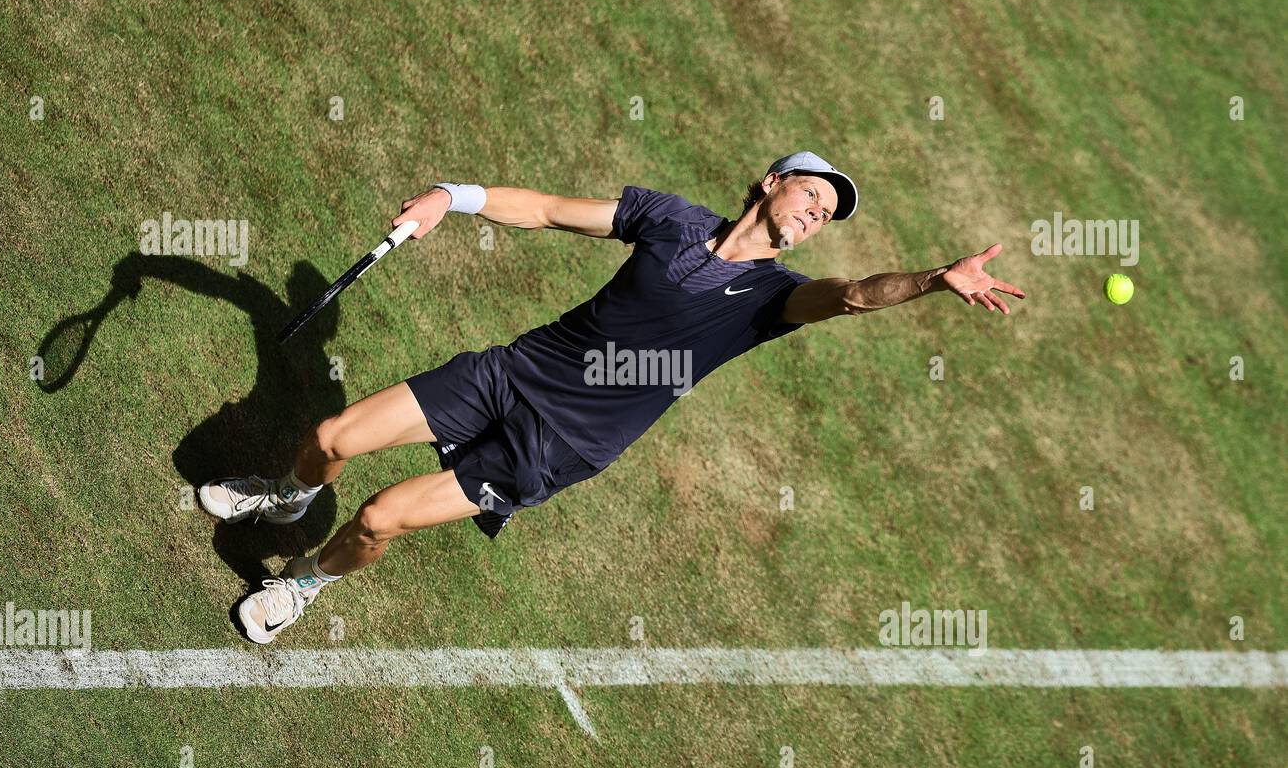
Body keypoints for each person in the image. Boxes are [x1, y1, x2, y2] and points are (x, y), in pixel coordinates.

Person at [199, 151, 1026, 643]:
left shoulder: (776, 300)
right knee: (332, 435)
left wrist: (929, 282)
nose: (817, 215)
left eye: (828, 215)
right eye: (811, 195)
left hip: (557, 446)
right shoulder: (668, 219)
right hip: (513, 373)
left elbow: (850, 296)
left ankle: (304, 581)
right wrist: (457, 197)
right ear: (770, 182)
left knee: (380, 518)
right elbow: (555, 211)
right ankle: (286, 496)